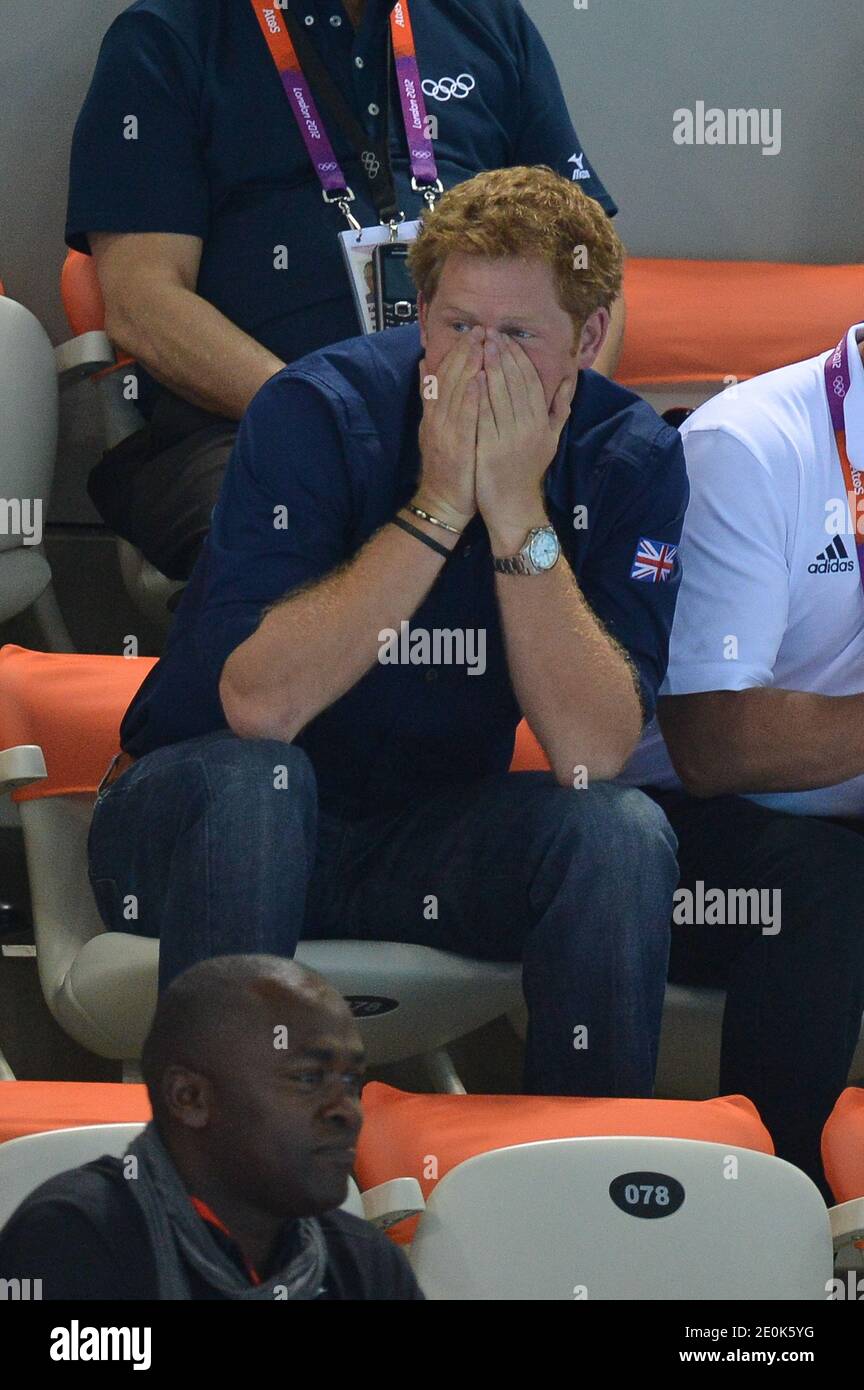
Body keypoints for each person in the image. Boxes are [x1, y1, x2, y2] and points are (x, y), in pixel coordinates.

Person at [87, 166, 687, 1100]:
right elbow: (259, 705)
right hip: (200, 816)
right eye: (455, 328)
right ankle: (218, 1188)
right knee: (267, 784)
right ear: (417, 313)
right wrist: (439, 506)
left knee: (619, 834)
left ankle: (583, 1185)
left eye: (519, 336)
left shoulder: (631, 457)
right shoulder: (319, 410)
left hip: (423, 837)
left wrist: (518, 514)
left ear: (590, 338)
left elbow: (592, 747)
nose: (479, 364)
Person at [66, 0, 625, 582]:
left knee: (630, 499)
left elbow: (590, 273)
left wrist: (554, 423)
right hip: (264, 423)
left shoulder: (488, 21)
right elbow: (143, 302)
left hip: (500, 417)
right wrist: (333, 419)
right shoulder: (166, 36)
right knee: (285, 555)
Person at [621, 321, 864, 1193]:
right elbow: (716, 745)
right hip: (675, 845)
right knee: (829, 880)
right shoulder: (751, 445)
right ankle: (770, 1207)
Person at [0, 956, 423, 1300]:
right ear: (191, 1098)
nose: (346, 1111)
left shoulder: (366, 1261)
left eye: (352, 1082)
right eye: (309, 1078)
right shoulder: (73, 1239)